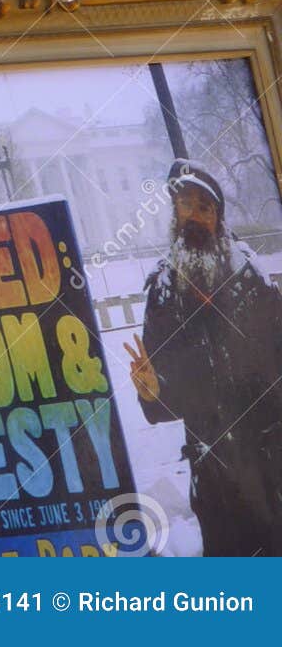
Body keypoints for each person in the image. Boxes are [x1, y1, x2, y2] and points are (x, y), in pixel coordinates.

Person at [125, 159, 282, 555]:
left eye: (204, 207)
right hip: (214, 476)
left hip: (272, 464)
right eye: (184, 205)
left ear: (219, 217)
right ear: (175, 214)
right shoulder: (163, 292)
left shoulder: (253, 280)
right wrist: (152, 392)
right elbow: (167, 399)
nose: (193, 216)